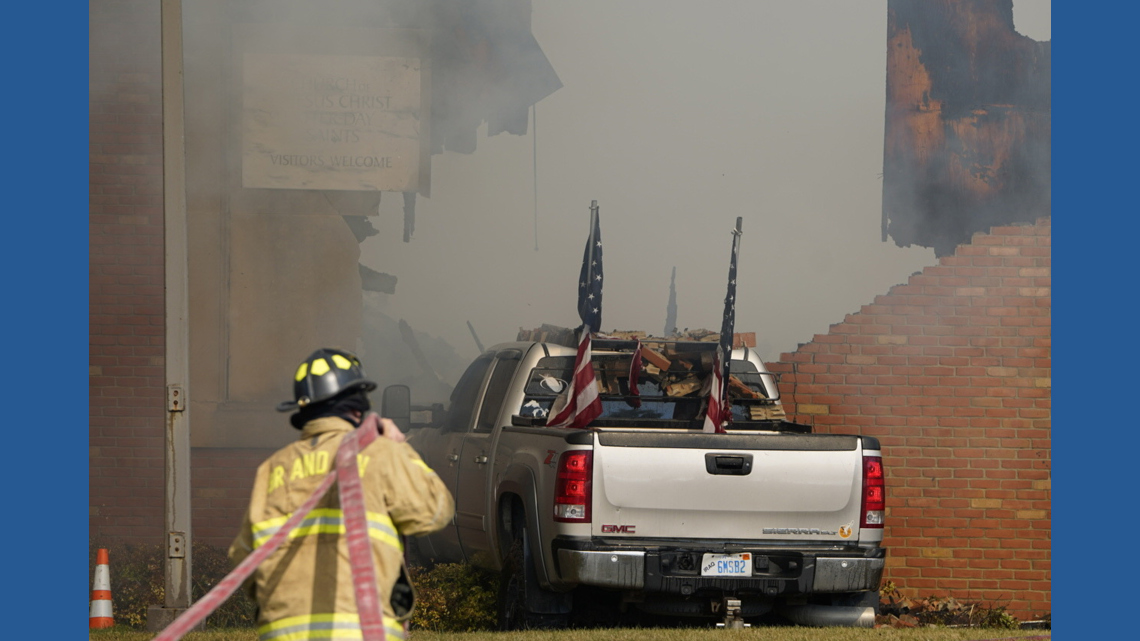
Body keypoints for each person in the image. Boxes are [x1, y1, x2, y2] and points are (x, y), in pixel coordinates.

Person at [229, 348, 455, 641]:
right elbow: (434, 513)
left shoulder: (272, 470)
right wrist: (400, 447)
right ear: (357, 406)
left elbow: (243, 560)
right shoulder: (380, 453)